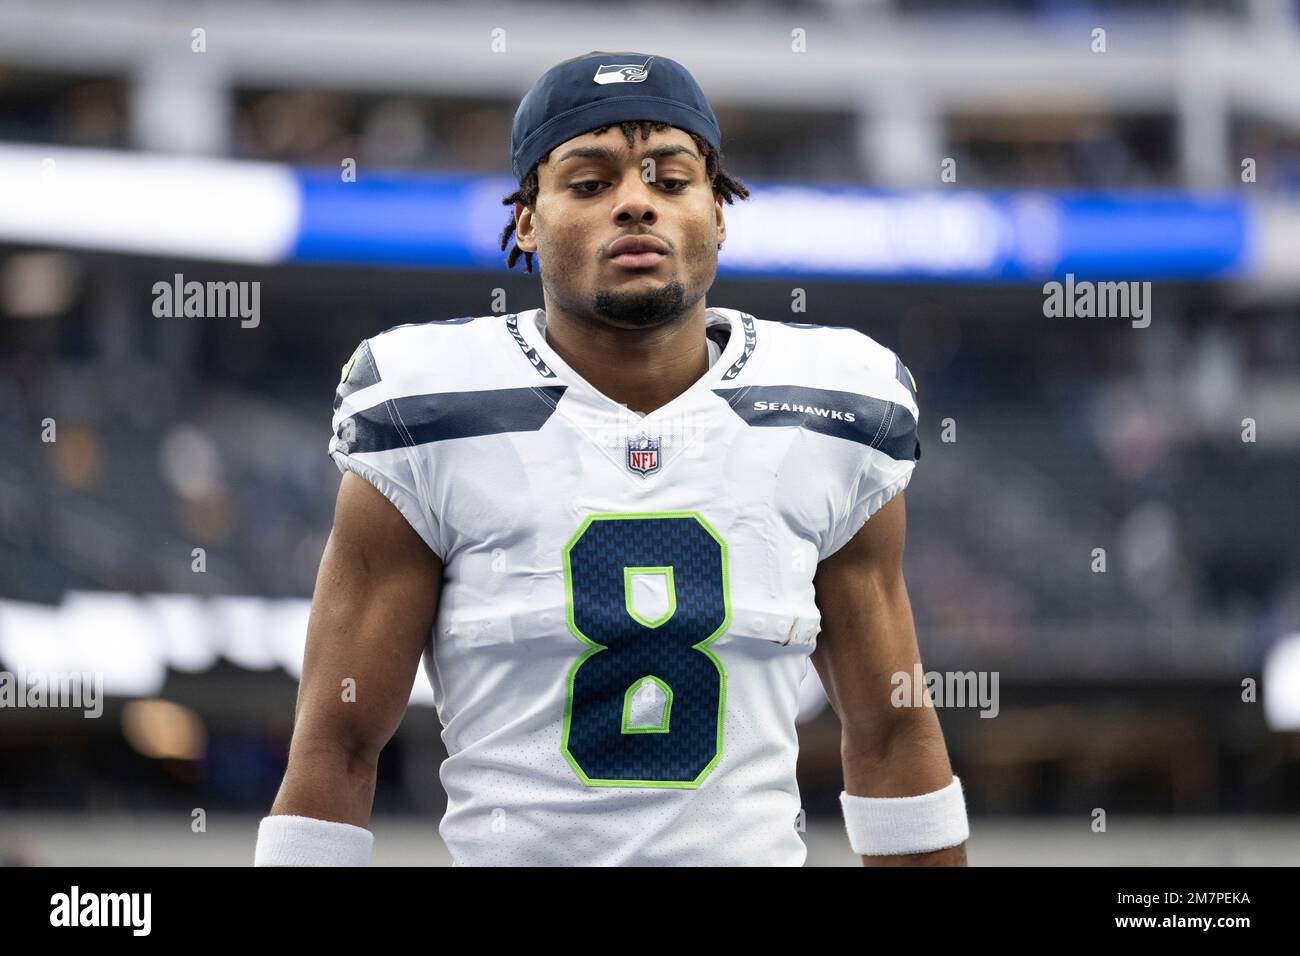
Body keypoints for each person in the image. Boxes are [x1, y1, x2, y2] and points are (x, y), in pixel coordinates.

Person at [254, 50, 967, 866]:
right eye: (589, 184)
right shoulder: (426, 411)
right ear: (527, 218)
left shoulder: (835, 407)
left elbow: (891, 732)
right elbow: (336, 746)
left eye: (671, 179)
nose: (636, 204)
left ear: (719, 209)